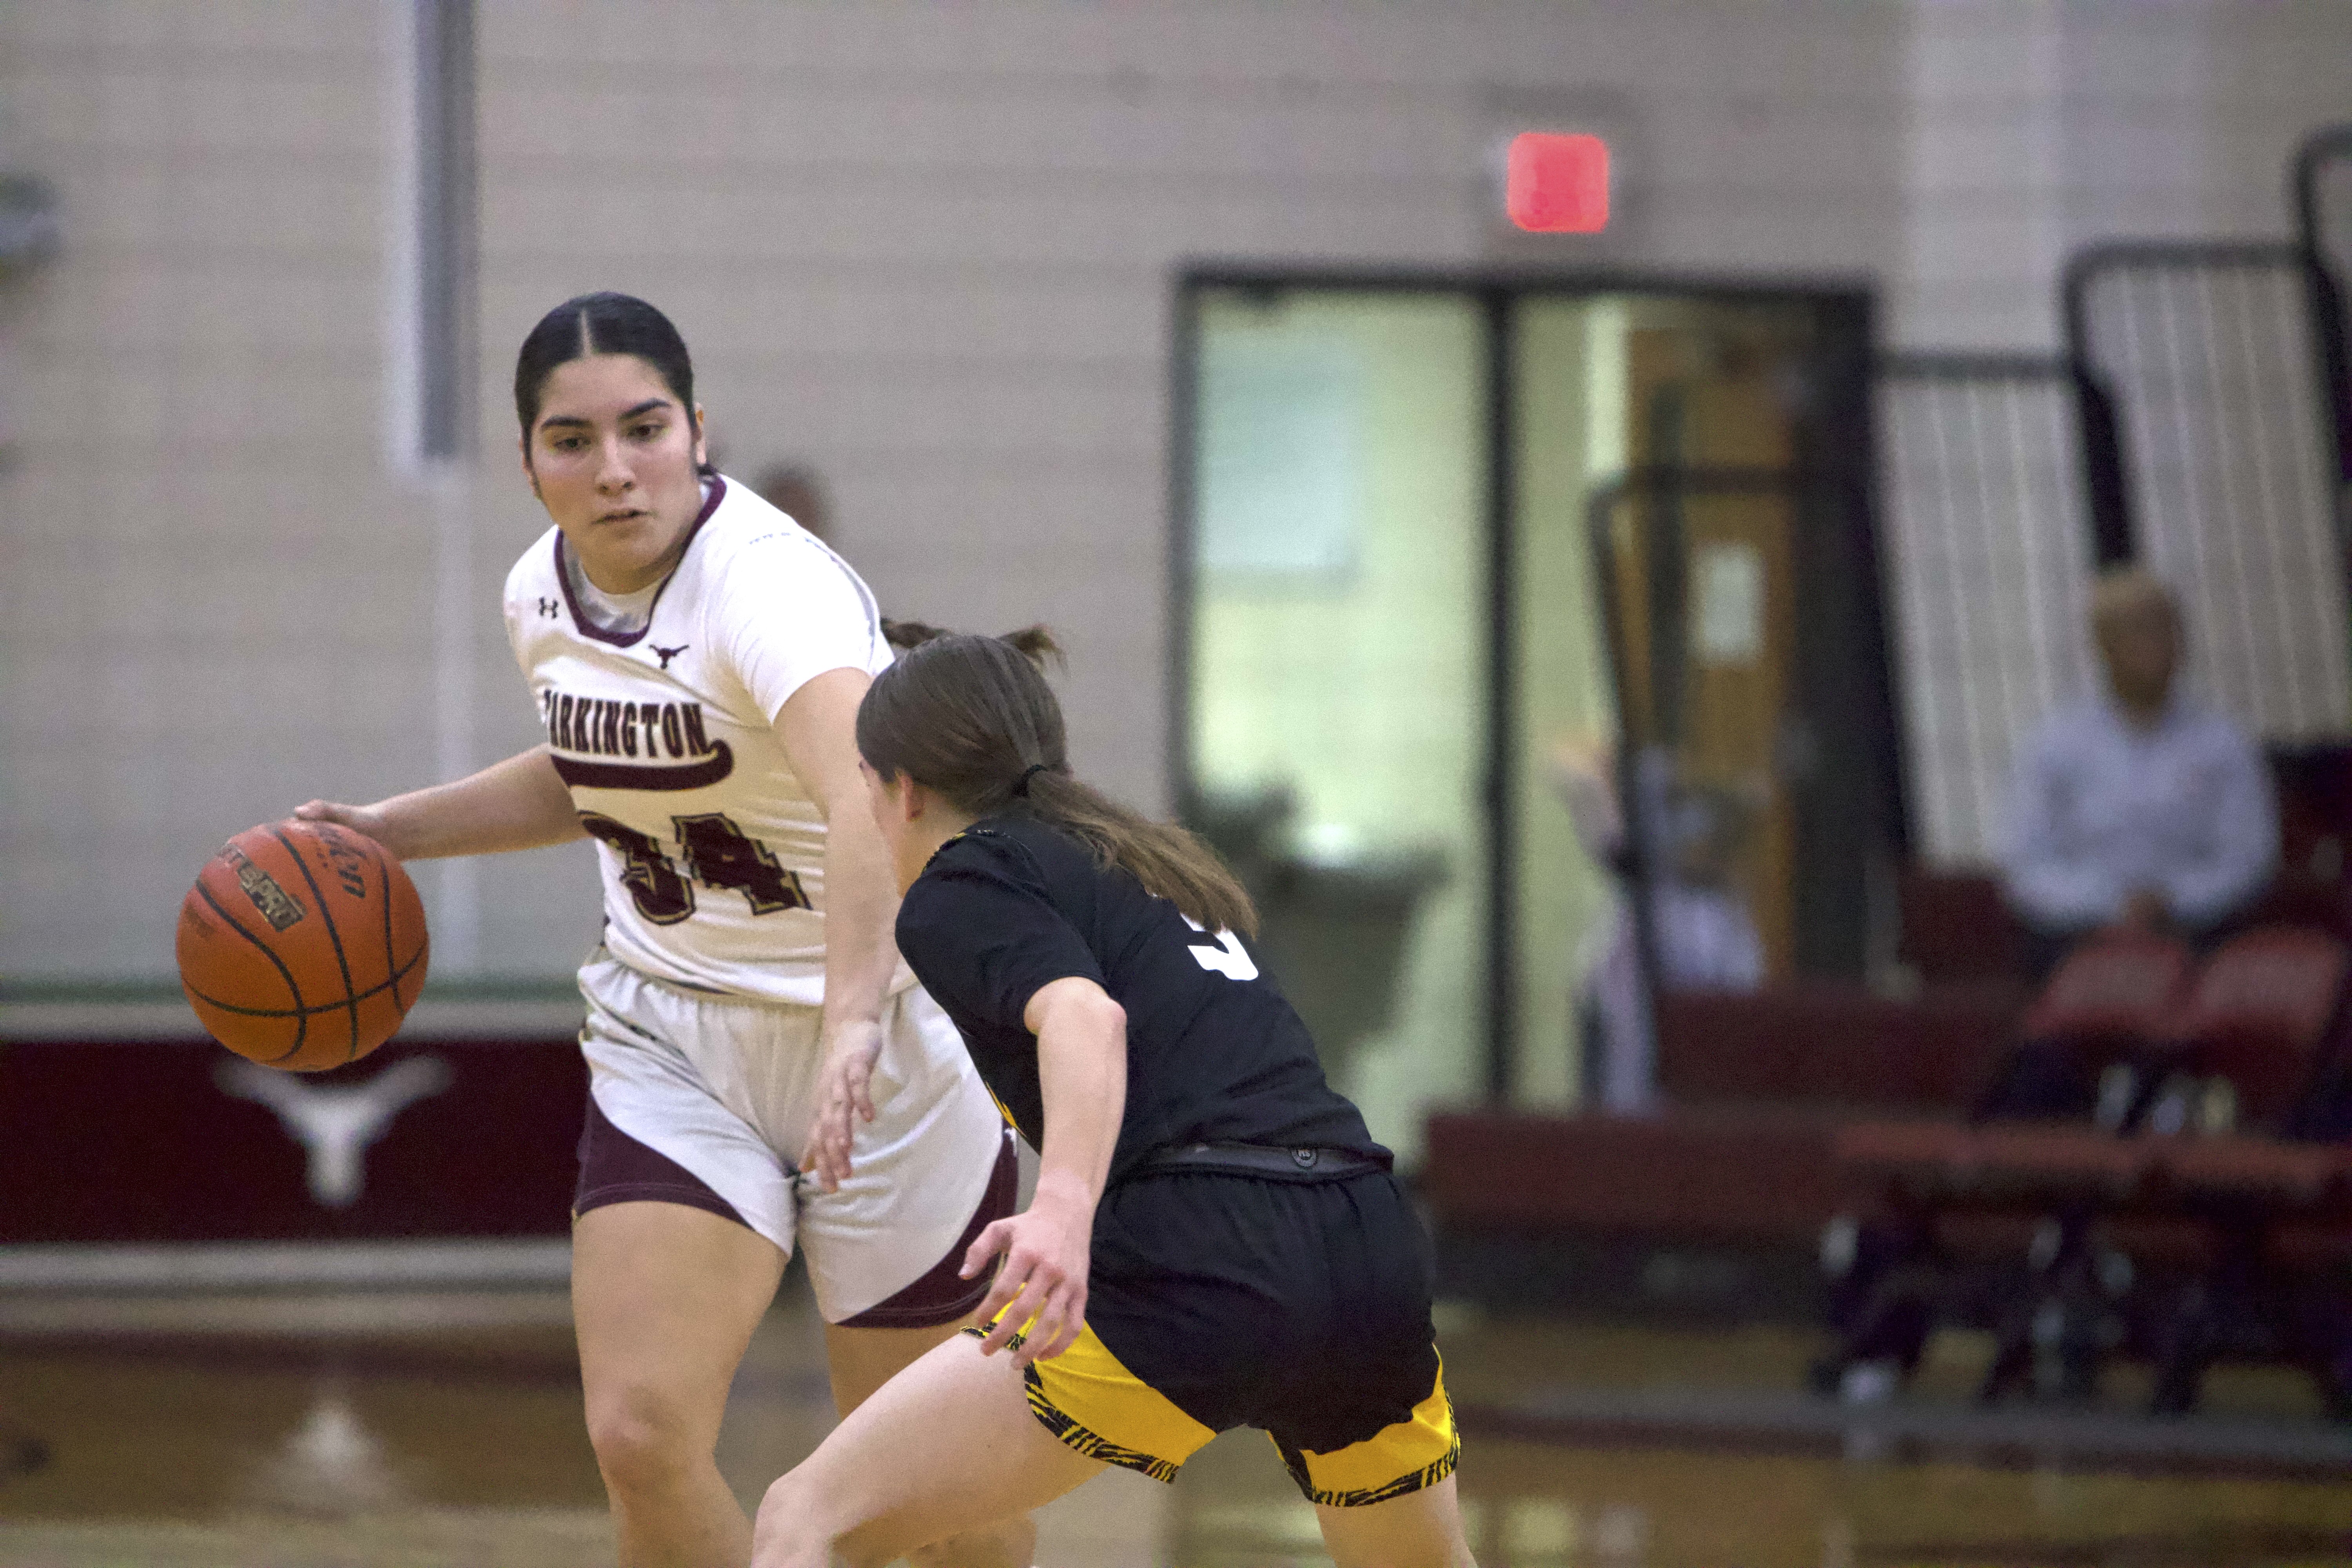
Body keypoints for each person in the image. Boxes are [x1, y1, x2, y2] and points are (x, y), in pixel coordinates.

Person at [295, 294, 1028, 1568]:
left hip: (888, 1039)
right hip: (676, 1038)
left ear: (699, 430)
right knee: (640, 1434)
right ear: (530, 460)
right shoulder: (539, 592)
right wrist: (391, 833)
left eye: (644, 428)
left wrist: (855, 1017)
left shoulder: (767, 583)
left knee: (932, 1508)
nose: (615, 467)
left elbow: (874, 798)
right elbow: (599, 763)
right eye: (572, 440)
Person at [747, 630, 1476, 1568]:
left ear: (902, 789)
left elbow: (1086, 1019)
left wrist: (1061, 1210)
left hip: (1204, 1250)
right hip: (1364, 1239)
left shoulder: (959, 880)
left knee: (804, 1518)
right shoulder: (1144, 864)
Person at [2000, 566, 2278, 977]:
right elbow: (2026, 864)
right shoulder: (2054, 743)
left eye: (2166, 629)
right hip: (2080, 938)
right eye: (2137, 631)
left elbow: (2248, 856)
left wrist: (2173, 900)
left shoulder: (2222, 740)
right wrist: (2110, 906)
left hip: (2199, 933)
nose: (2158, 645)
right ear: (2104, 644)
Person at [1550, 737, 1764, 1114]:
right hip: (1634, 982)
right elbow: (1567, 764)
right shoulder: (1636, 908)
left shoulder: (1721, 923)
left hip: (1705, 1104)